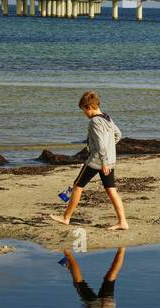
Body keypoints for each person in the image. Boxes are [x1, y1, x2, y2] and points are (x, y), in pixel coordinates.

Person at [50, 90, 129, 230]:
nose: (84, 114)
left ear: (89, 107)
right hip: (110, 160)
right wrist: (110, 151)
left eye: (83, 111)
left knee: (77, 186)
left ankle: (65, 218)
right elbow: (118, 134)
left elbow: (100, 143)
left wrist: (103, 160)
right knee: (111, 190)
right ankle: (123, 222)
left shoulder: (94, 122)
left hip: (96, 161)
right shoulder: (107, 117)